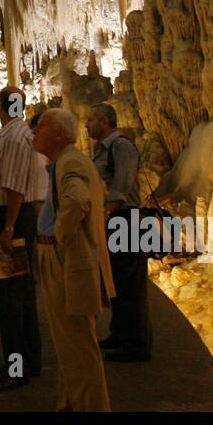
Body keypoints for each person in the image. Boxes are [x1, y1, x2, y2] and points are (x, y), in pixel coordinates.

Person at [32, 108, 114, 411]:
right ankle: (69, 404)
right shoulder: (67, 161)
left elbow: (78, 200)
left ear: (59, 134)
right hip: (66, 258)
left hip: (67, 261)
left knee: (79, 349)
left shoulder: (70, 162)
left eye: (41, 127)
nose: (34, 132)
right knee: (69, 346)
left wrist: (58, 234)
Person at [0, 86, 43, 391]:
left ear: (3, 106)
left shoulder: (16, 137)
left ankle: (17, 368)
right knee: (21, 295)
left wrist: (7, 228)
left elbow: (14, 187)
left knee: (9, 299)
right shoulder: (13, 134)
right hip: (12, 219)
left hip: (11, 222)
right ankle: (28, 360)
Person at [88, 103, 151, 362]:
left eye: (91, 120)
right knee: (116, 281)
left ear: (104, 121)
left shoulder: (121, 146)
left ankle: (136, 344)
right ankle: (119, 332)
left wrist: (104, 215)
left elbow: (122, 185)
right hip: (115, 219)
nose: (86, 124)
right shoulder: (100, 149)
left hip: (126, 219)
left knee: (130, 284)